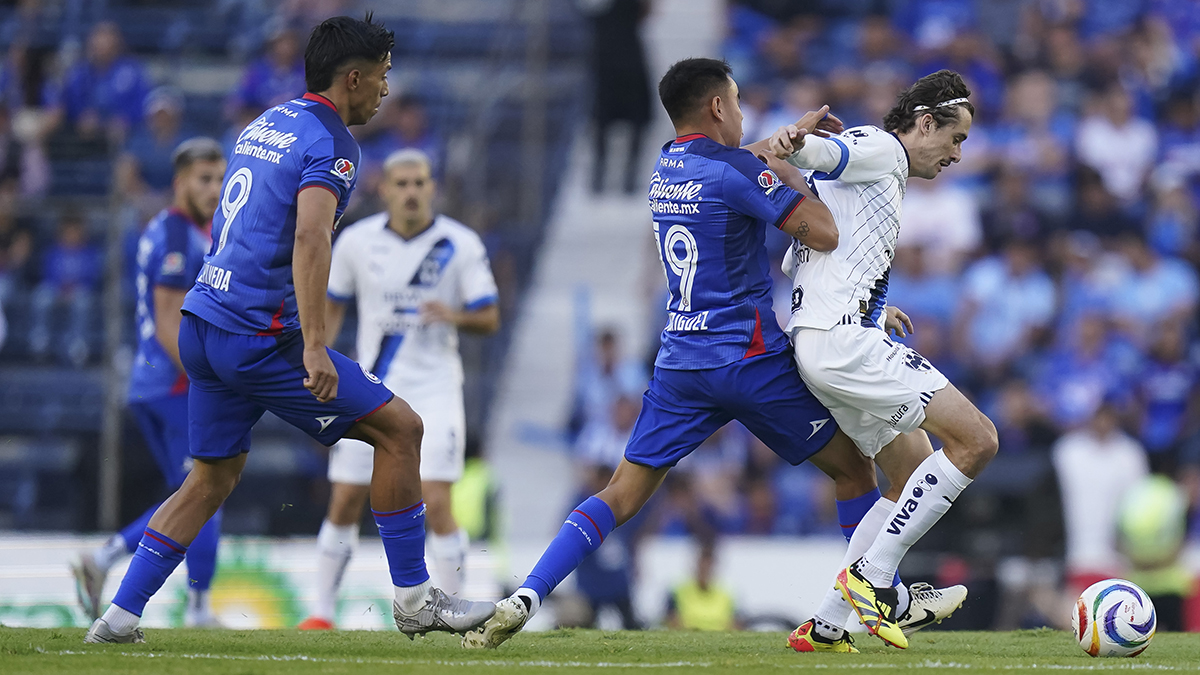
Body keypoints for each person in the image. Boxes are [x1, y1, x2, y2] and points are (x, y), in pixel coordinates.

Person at [464, 58, 959, 651]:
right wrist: (799, 173)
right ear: (719, 106)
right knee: (855, 468)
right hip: (750, 359)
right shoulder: (735, 172)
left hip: (680, 360)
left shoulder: (666, 169)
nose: (745, 111)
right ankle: (878, 593)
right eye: (739, 100)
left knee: (621, 492)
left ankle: (527, 594)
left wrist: (769, 153)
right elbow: (824, 233)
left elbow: (728, 168)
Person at [84, 15, 494, 644]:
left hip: (205, 321)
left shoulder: (265, 123)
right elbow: (309, 236)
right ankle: (416, 600)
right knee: (402, 429)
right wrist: (312, 344)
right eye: (381, 77)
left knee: (211, 476)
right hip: (259, 335)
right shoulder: (334, 144)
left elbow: (234, 221)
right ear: (351, 78)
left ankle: (118, 617)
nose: (386, 90)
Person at [766, 69, 997, 650]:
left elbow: (818, 254)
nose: (957, 154)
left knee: (911, 469)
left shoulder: (867, 178)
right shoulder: (883, 150)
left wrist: (876, 306)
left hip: (823, 340)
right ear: (924, 123)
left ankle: (827, 621)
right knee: (977, 441)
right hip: (844, 345)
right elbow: (828, 151)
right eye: (956, 138)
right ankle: (877, 575)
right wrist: (800, 140)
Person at [297, 147, 500, 630]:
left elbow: (489, 316)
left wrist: (453, 315)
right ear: (384, 189)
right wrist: (317, 353)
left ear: (433, 188)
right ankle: (321, 612)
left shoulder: (461, 244)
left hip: (435, 388)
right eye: (401, 184)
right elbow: (334, 309)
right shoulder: (355, 242)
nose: (411, 192)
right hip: (373, 387)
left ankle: (453, 606)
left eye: (420, 183)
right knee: (346, 496)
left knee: (437, 498)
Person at [70, 137, 226, 628]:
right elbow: (166, 322)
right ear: (180, 182)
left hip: (155, 385)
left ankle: (106, 558)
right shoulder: (178, 236)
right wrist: (207, 379)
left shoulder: (180, 230)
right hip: (173, 385)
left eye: (221, 179)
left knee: (193, 490)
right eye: (205, 179)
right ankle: (197, 608)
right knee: (207, 489)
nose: (215, 189)